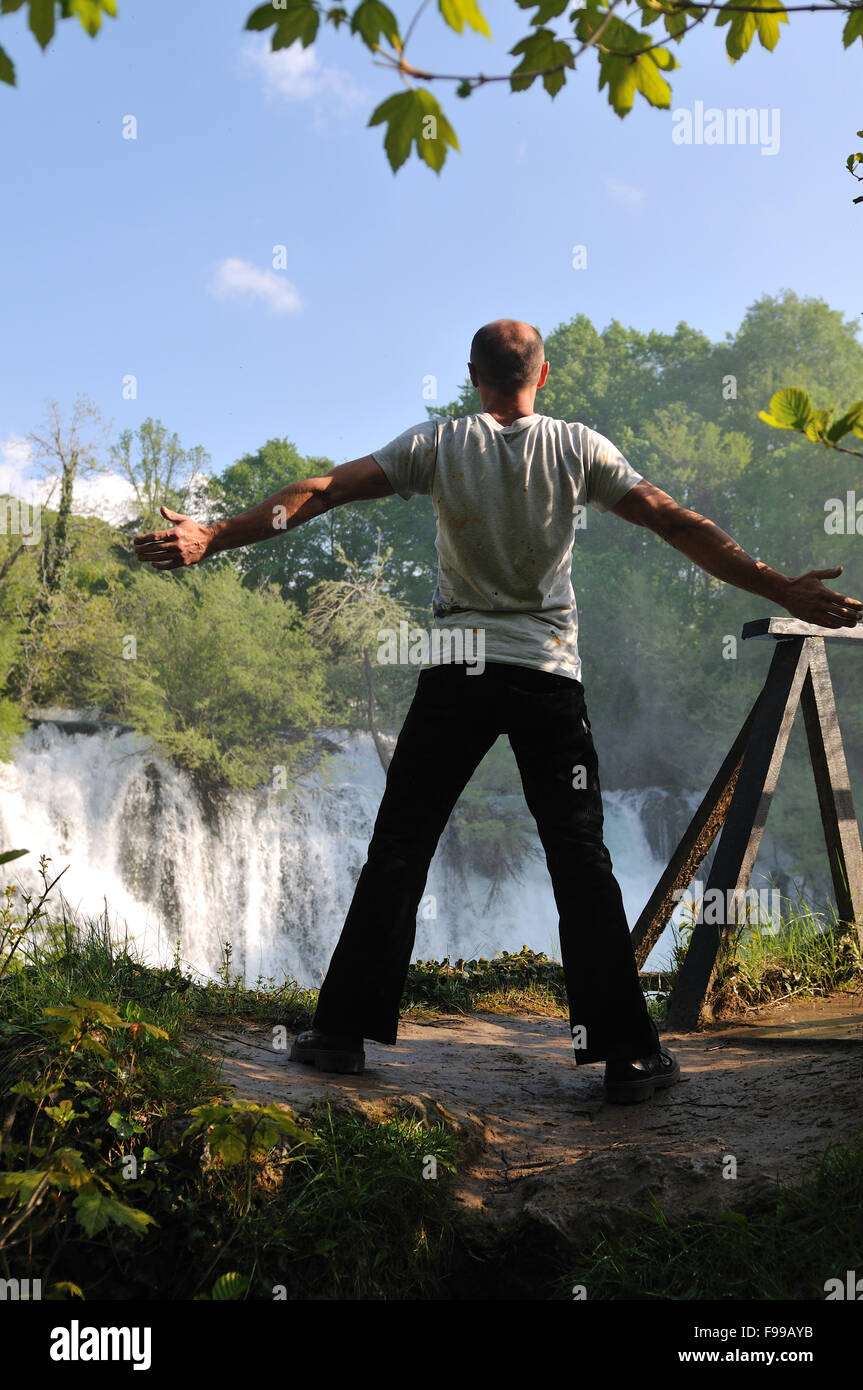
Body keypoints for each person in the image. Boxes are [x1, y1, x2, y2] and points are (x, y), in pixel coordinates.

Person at [134, 319, 862, 1103]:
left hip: (456, 669)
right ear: (541, 375)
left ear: (472, 377)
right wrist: (779, 586)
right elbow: (673, 520)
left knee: (400, 848)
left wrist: (216, 534)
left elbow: (319, 492)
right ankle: (625, 1055)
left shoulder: (439, 444)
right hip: (547, 673)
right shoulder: (579, 447)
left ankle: (342, 1035)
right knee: (580, 860)